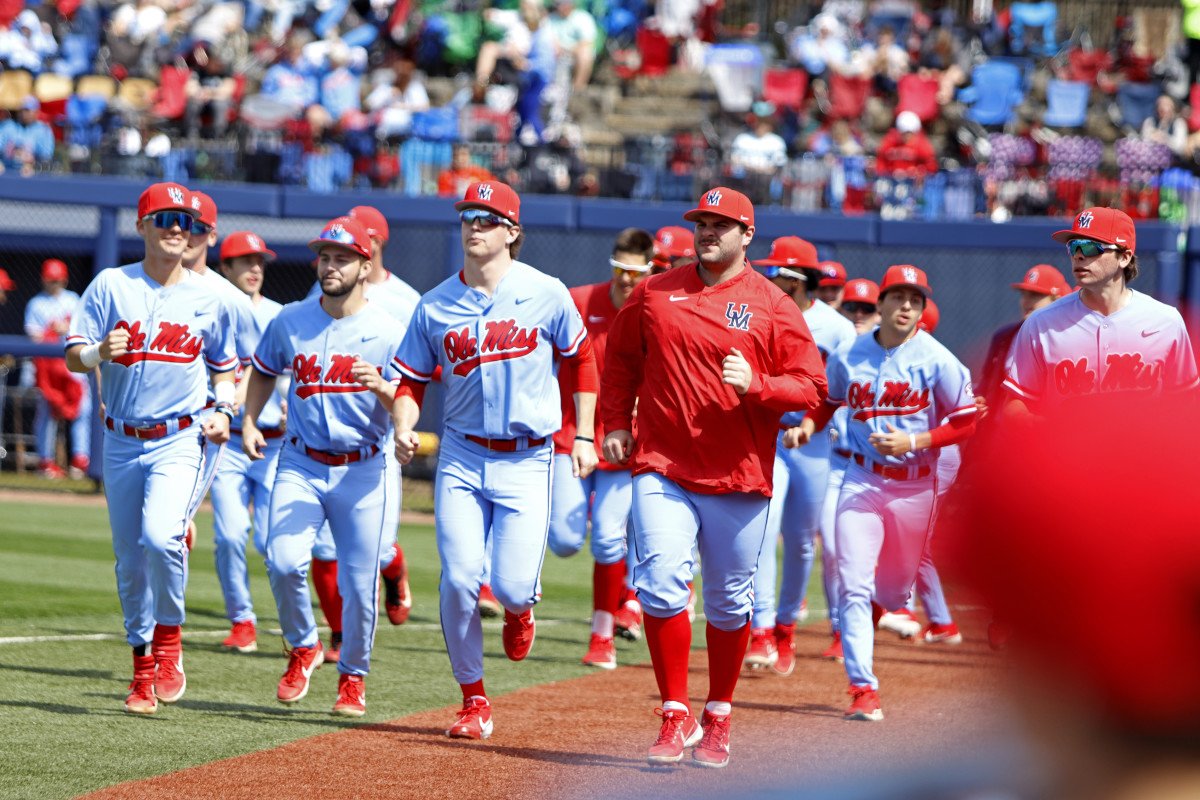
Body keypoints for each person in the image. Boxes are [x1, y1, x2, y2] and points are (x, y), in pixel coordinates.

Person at [601, 187, 827, 767]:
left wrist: (760, 386)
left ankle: (718, 714)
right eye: (702, 222)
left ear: (747, 234)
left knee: (728, 605)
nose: (708, 231)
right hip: (662, 466)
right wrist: (613, 422)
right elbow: (621, 360)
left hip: (739, 474)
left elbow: (813, 388)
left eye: (722, 224)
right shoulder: (655, 291)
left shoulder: (774, 304)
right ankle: (675, 712)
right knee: (659, 584)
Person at [390, 181, 599, 740]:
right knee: (459, 580)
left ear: (512, 232)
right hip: (460, 454)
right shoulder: (433, 304)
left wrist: (582, 436)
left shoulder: (547, 292)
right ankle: (473, 699)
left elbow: (582, 361)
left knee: (508, 586)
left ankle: (518, 609)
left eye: (487, 219)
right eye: (468, 217)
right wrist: (405, 426)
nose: (474, 226)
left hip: (529, 458)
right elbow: (409, 380)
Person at [64, 181, 238, 714]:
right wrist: (96, 353)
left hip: (179, 438)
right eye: (164, 219)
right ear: (142, 227)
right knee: (128, 561)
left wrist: (225, 409)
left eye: (185, 222)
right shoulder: (111, 284)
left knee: (161, 538)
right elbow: (73, 355)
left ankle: (168, 637)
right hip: (120, 439)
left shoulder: (211, 297)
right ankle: (142, 666)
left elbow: (226, 367)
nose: (177, 229)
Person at [242, 215, 408, 718]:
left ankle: (353, 677)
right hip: (301, 461)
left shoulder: (386, 330)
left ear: (365, 263)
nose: (331, 266)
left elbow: (410, 395)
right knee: (284, 557)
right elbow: (264, 371)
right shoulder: (291, 319)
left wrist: (385, 392)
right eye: (325, 256)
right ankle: (303, 645)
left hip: (365, 465)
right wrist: (249, 420)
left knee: (359, 583)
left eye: (342, 258)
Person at [800, 264, 976, 722]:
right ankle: (863, 688)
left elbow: (966, 422)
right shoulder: (849, 354)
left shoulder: (938, 359)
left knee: (895, 592)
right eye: (898, 297)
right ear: (880, 303)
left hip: (915, 484)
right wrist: (806, 426)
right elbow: (831, 401)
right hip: (859, 479)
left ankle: (885, 607)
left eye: (915, 300)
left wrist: (914, 442)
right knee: (852, 581)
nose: (906, 307)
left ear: (922, 309)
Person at [745, 236, 854, 676]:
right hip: (768, 435)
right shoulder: (757, 312)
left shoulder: (836, 327)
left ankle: (786, 625)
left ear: (805, 279)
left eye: (784, 273)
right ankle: (762, 631)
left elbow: (844, 390)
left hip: (813, 443)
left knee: (803, 541)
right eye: (771, 271)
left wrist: (815, 426)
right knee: (764, 533)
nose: (774, 278)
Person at [549, 227, 655, 670]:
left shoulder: (653, 310)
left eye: (635, 272)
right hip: (570, 436)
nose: (626, 279)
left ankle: (602, 636)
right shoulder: (576, 299)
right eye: (620, 269)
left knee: (610, 539)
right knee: (565, 540)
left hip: (620, 444)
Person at [1004, 207, 1199, 415]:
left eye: (1090, 247)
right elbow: (1015, 405)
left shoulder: (1166, 321)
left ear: (1124, 257)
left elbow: (1186, 401)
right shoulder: (1040, 323)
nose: (1078, 256)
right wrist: (1049, 432)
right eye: (1073, 246)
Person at [208, 231, 283, 654]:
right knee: (231, 535)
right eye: (244, 261)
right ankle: (242, 619)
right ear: (226, 268)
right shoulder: (212, 310)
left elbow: (294, 368)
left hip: (276, 444)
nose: (255, 268)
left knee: (272, 543)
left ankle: (295, 623)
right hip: (229, 444)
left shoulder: (281, 314)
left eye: (260, 261)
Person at [817, 276, 882, 662]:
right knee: (833, 549)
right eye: (851, 307)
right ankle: (841, 627)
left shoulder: (895, 357)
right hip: (834, 464)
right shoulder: (840, 356)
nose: (857, 314)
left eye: (866, 308)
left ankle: (878, 612)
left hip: (879, 469)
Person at [975, 264, 1071, 415]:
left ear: (1056, 300)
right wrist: (979, 399)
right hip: (1001, 430)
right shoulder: (1003, 337)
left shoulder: (1069, 339)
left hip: (1044, 430)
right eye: (1024, 294)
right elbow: (987, 383)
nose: (1026, 301)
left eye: (1035, 295)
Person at [25, 259, 90, 479]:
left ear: (64, 279)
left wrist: (67, 328)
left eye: (58, 280)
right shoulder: (36, 304)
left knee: (83, 409)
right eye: (51, 280)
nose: (55, 284)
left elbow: (84, 329)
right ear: (44, 279)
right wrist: (51, 330)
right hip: (48, 369)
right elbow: (33, 336)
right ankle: (46, 461)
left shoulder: (73, 299)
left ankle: (80, 460)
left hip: (71, 366)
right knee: (47, 413)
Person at [0, 95, 54, 177]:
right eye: (21, 110)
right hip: (6, 171)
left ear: (36, 112)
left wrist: (34, 167)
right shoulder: (8, 126)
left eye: (27, 110)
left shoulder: (43, 130)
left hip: (31, 175)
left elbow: (46, 158)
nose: (23, 113)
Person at [875, 110, 938, 179]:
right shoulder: (890, 141)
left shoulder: (922, 145)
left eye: (909, 133)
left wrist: (919, 172)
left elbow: (930, 165)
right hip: (892, 182)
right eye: (904, 133)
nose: (907, 136)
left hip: (913, 184)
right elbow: (881, 161)